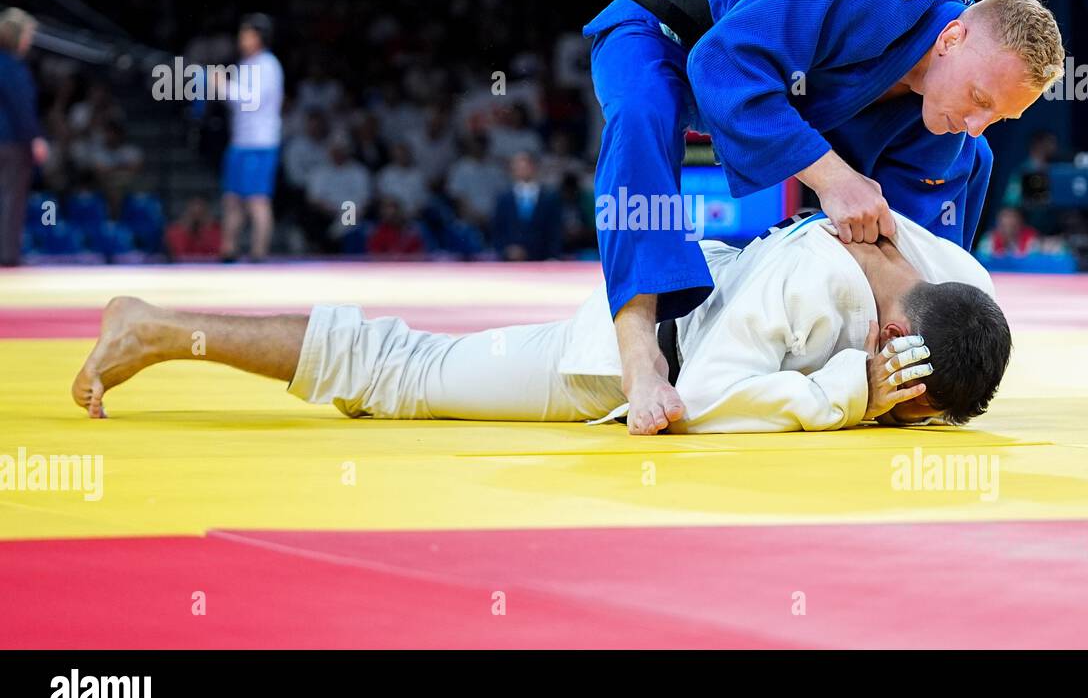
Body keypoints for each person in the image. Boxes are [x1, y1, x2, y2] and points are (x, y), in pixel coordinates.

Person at [583, 0, 1063, 434]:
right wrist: (833, 176)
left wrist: (925, 365)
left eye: (997, 116)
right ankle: (638, 352)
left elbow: (906, 250)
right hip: (673, 35)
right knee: (641, 113)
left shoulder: (954, 75)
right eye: (980, 100)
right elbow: (720, 63)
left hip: (803, 86)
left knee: (970, 160)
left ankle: (879, 362)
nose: (976, 122)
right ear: (951, 38)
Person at [71, 208, 1012, 436]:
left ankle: (164, 327)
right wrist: (850, 396)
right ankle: (158, 326)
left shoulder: (956, 282)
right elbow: (699, 398)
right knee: (398, 373)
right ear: (897, 348)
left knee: (403, 372)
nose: (906, 421)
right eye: (915, 409)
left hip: (677, 308)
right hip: (614, 360)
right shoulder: (811, 286)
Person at [220, 14, 285, 262]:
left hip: (260, 143)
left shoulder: (268, 65)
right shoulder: (244, 65)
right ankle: (229, 250)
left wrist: (224, 86)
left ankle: (259, 253)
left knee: (257, 200)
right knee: (232, 199)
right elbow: (234, 103)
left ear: (259, 37)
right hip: (239, 141)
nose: (241, 39)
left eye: (246, 34)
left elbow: (251, 101)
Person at [0, 9, 48, 266]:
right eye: (29, 34)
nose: (30, 41)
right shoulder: (12, 66)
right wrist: (35, 138)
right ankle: (7, 256)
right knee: (11, 198)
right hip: (10, 141)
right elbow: (21, 105)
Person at [493, 151, 562, 260]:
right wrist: (506, 250)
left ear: (534, 167)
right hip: (510, 261)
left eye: (525, 166)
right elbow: (497, 230)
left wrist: (552, 257)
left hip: (541, 259)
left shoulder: (549, 197)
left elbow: (555, 230)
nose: (521, 170)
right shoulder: (503, 198)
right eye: (517, 167)